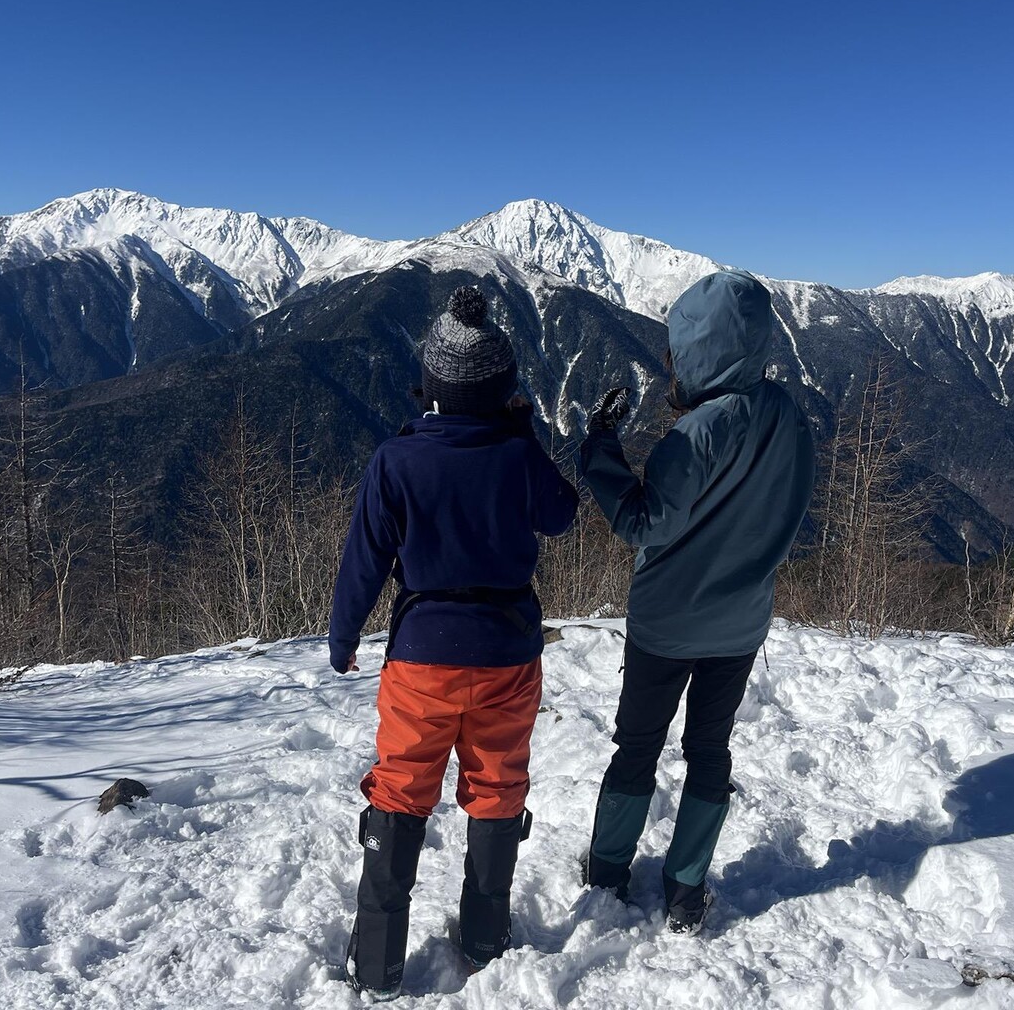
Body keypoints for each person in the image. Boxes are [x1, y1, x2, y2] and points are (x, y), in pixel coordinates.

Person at [328, 285, 579, 999]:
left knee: (401, 792)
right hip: (506, 652)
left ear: (431, 386)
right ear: (504, 389)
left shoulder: (397, 460)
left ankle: (375, 961)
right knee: (497, 788)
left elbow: (364, 560)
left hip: (421, 659)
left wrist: (345, 635)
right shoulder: (515, 454)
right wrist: (526, 436)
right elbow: (561, 515)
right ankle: (484, 939)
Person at [578, 269, 815, 932]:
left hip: (666, 623)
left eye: (679, 350)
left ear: (706, 350)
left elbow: (642, 523)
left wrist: (599, 448)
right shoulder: (790, 418)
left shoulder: (698, 433)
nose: (671, 363)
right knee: (710, 751)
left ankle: (607, 874)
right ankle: (685, 889)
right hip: (741, 622)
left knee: (637, 747)